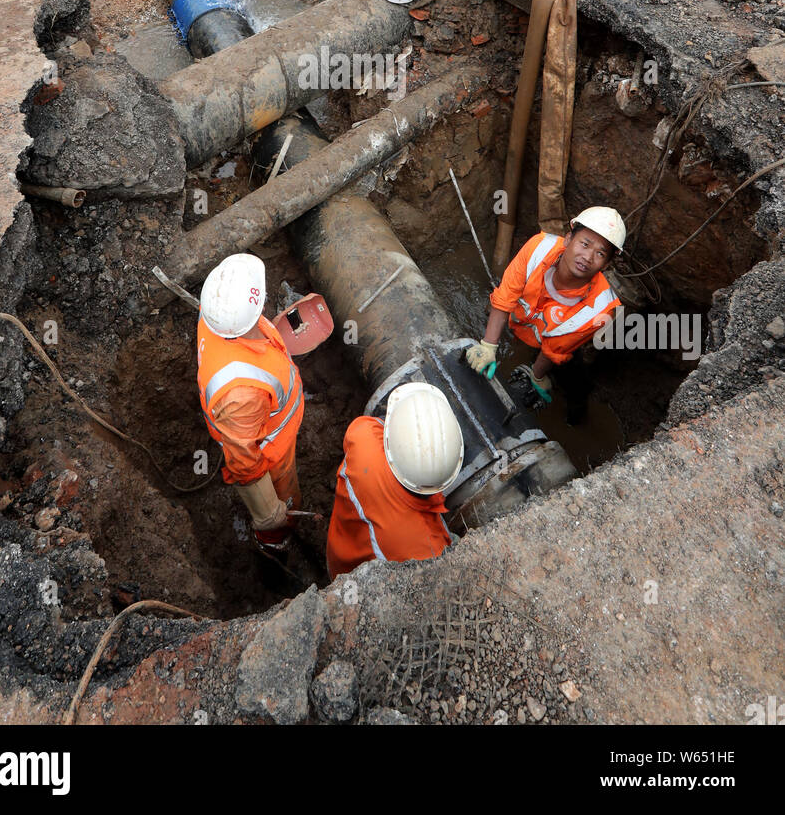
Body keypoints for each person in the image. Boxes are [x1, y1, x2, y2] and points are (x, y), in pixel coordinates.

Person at [465, 207, 625, 424]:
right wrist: (489, 346)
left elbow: (555, 348)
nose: (588, 257)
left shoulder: (600, 309)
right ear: (568, 239)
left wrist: (536, 376)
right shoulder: (538, 248)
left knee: (575, 381)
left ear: (606, 265)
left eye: (600, 253)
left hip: (560, 343)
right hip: (522, 320)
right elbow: (506, 296)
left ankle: (576, 418)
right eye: (585, 244)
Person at [197, 253, 304, 554]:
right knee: (286, 508)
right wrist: (270, 512)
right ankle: (275, 546)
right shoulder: (241, 395)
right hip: (273, 457)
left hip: (264, 424)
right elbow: (244, 463)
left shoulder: (215, 314)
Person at [326, 384, 463, 580]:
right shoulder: (428, 548)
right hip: (360, 587)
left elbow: (379, 427)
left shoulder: (363, 436)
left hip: (338, 552)